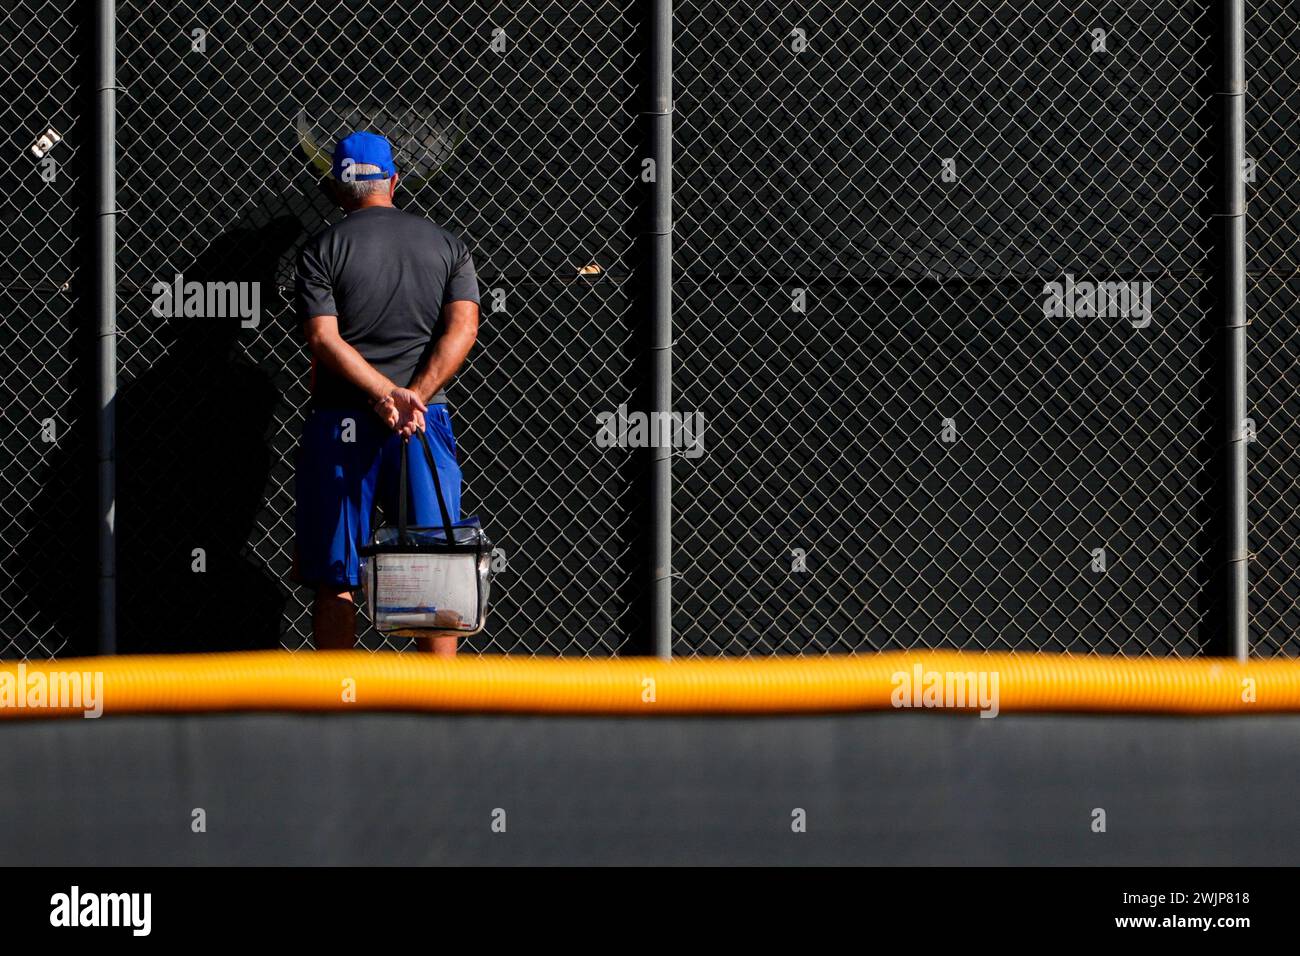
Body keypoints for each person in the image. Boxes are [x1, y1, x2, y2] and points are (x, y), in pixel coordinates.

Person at [292, 130, 480, 655]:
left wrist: (380, 394)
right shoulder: (447, 244)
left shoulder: (322, 248)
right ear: (394, 180)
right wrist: (412, 395)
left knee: (337, 573)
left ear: (335, 190)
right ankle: (436, 712)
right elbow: (463, 329)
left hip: (341, 422)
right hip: (421, 421)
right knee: (437, 565)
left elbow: (322, 338)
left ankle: (339, 708)